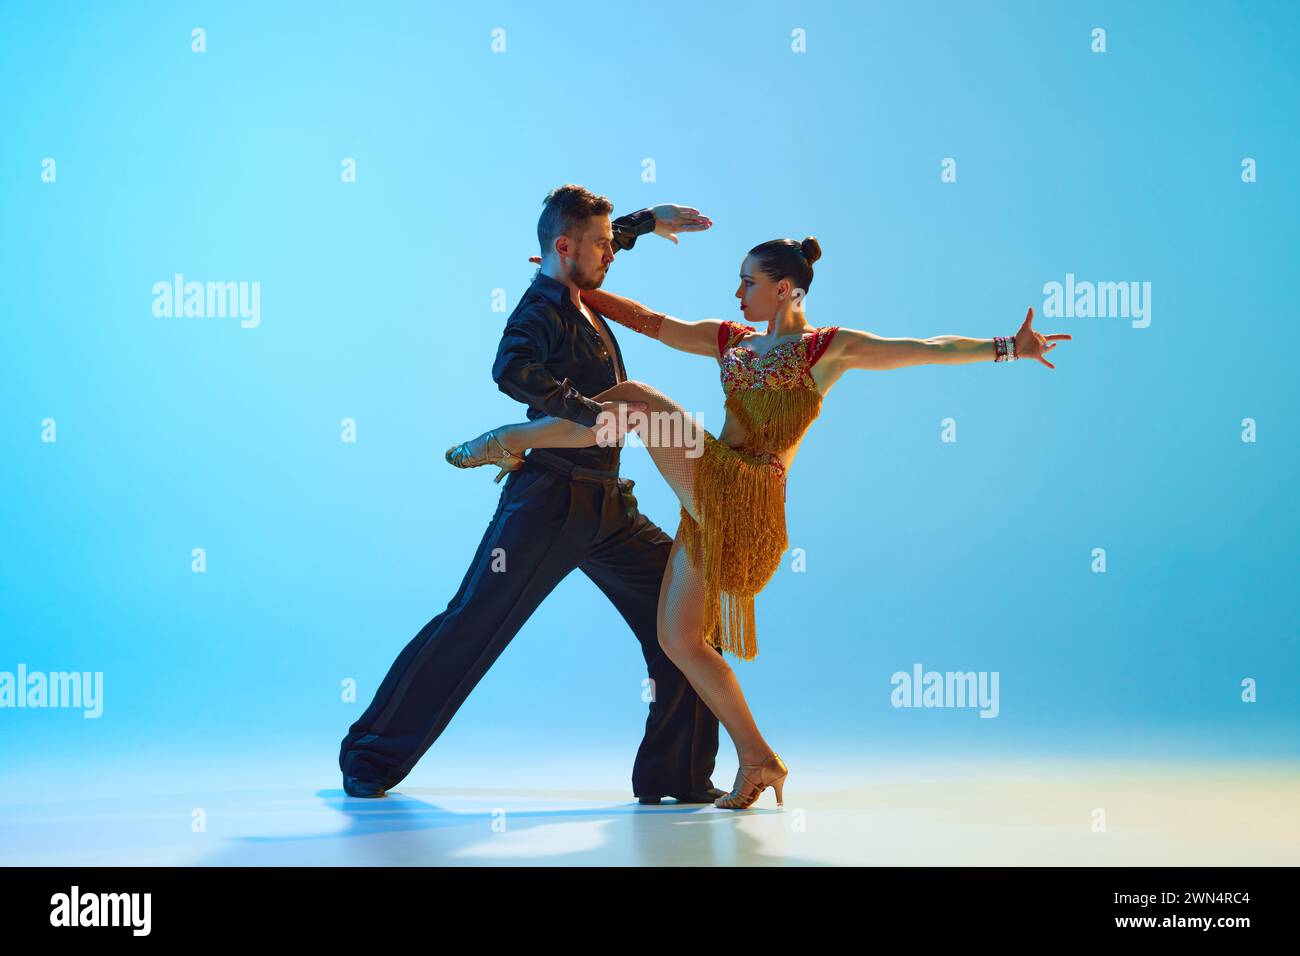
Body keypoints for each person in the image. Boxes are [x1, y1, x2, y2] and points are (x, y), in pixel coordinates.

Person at [449, 236, 1072, 809]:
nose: (737, 293)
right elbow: (650, 322)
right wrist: (573, 291)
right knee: (680, 640)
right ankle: (760, 759)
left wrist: (1010, 348)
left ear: (786, 289)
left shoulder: (827, 349)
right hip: (710, 502)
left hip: (747, 497)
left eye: (747, 281)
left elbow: (924, 351)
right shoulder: (731, 341)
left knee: (637, 401)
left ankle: (512, 439)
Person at [339, 184, 726, 804]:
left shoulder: (579, 284)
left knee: (683, 622)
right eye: (601, 245)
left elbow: (600, 235)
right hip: (548, 501)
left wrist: (645, 222)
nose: (611, 253)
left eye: (611, 243)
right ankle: (370, 756)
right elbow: (512, 370)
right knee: (473, 624)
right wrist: (587, 414)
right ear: (563, 248)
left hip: (609, 505)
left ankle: (674, 774)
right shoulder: (540, 308)